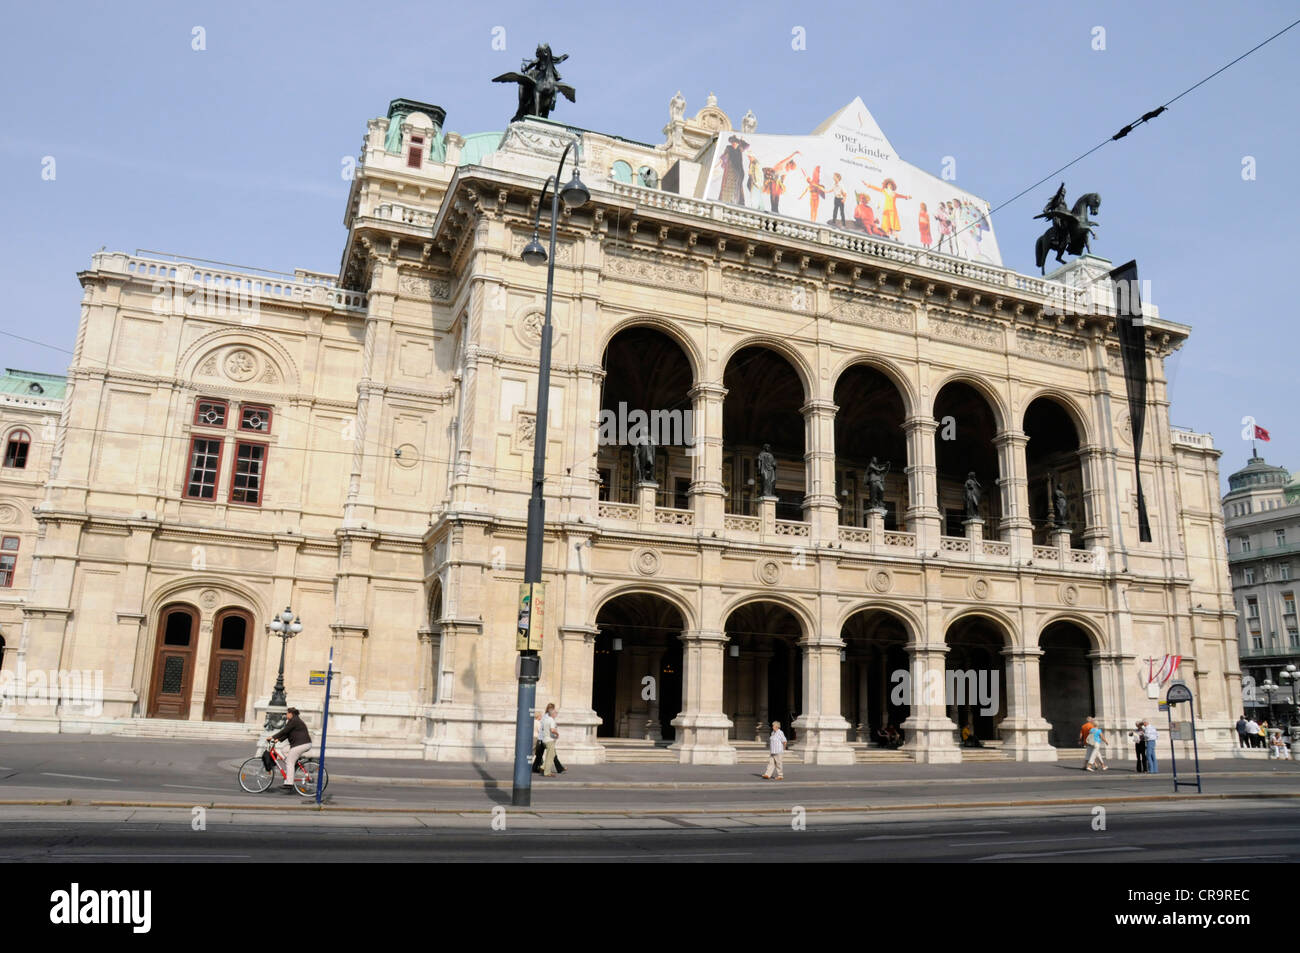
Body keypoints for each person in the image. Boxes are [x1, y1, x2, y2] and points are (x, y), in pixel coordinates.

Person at [267, 707, 312, 792]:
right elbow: (287, 733)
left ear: (291, 714)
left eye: (287, 713)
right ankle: (293, 765)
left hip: (301, 744)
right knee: (284, 750)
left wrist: (273, 737)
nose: (286, 715)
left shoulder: (294, 721)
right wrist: (277, 740)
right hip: (300, 744)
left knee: (289, 762)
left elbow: (285, 731)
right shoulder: (294, 720)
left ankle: (289, 784)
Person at [540, 702, 561, 777]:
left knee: (551, 755)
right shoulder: (551, 720)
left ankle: (543, 767)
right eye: (555, 713)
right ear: (552, 714)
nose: (556, 714)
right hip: (550, 740)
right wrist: (557, 733)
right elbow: (552, 730)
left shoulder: (546, 719)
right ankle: (547, 772)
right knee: (550, 757)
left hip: (545, 740)